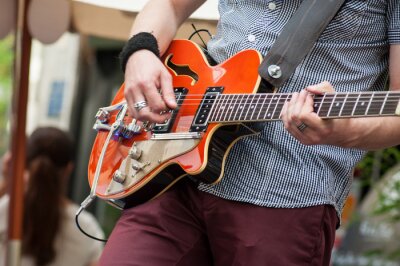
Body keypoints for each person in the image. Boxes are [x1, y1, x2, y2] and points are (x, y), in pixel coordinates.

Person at [100, 1, 400, 265]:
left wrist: (342, 132)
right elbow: (169, 5)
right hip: (174, 171)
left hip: (284, 194)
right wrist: (140, 52)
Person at [0, 127, 104, 266]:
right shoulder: (87, 228)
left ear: (24, 164)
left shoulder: (6, 211)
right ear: (69, 169)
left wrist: (7, 183)